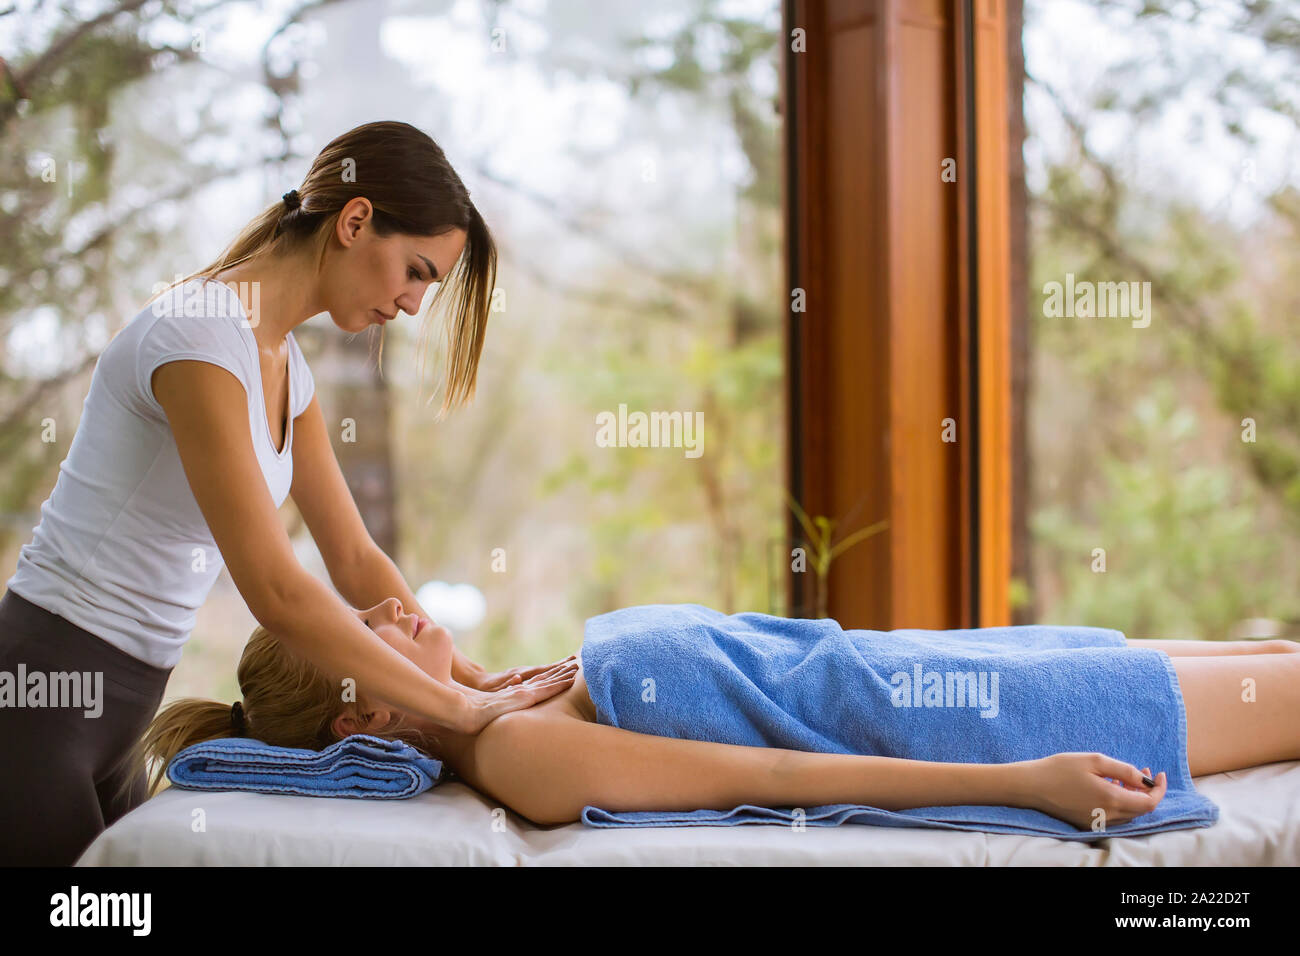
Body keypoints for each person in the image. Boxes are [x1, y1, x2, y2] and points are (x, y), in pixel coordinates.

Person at [0, 121, 575, 866]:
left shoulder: (285, 367)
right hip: (44, 687)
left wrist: (475, 674)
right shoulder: (198, 340)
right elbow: (275, 588)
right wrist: (463, 710)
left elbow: (355, 557)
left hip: (124, 700)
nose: (411, 304)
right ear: (356, 219)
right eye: (415, 271)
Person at [132, 596, 1300, 832]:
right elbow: (779, 778)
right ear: (361, 719)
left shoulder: (512, 691)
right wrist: (1025, 779)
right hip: (976, 720)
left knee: (1278, 657)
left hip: (958, 660)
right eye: (361, 627)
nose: (389, 599)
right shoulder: (519, 748)